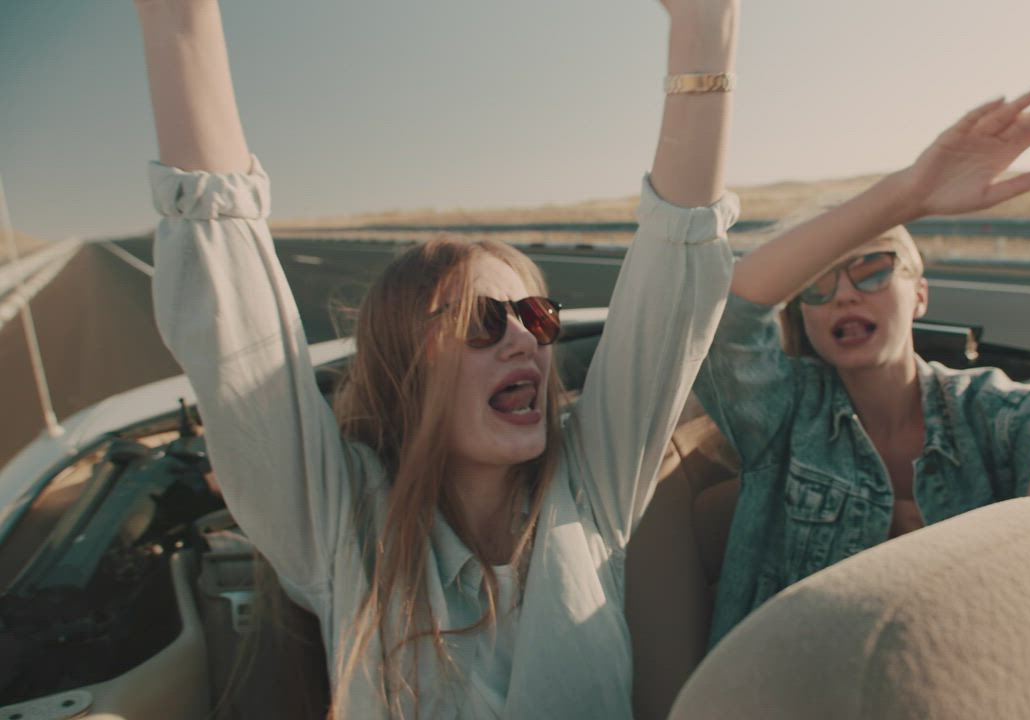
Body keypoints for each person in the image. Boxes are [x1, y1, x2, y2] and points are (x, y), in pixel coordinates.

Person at [134, 0, 741, 716]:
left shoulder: (590, 486)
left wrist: (707, 26)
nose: (525, 339)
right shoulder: (340, 524)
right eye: (480, 322)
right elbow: (221, 262)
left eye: (536, 316)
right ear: (404, 368)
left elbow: (678, 262)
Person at [692, 87, 1030, 647]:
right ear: (803, 314)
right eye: (817, 285)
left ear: (919, 295)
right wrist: (909, 194)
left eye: (872, 270)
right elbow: (726, 314)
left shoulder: (984, 411)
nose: (844, 295)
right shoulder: (784, 413)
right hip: (794, 676)